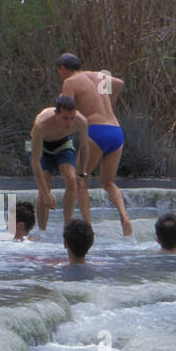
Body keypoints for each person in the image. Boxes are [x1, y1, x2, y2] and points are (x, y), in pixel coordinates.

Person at [56, 53, 133, 236]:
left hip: (96, 132)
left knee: (80, 181)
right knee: (108, 182)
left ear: (63, 69)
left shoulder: (70, 82)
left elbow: (67, 109)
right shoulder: (99, 75)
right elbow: (119, 83)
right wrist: (112, 99)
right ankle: (124, 217)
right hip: (116, 131)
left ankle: (88, 227)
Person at [28, 95, 89, 232]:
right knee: (45, 186)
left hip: (62, 143)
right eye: (65, 118)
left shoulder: (81, 122)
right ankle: (42, 231)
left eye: (72, 118)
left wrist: (82, 174)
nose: (69, 123)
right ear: (57, 114)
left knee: (71, 179)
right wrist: (45, 193)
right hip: (42, 146)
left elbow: (84, 147)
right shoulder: (41, 124)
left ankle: (67, 228)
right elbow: (35, 161)